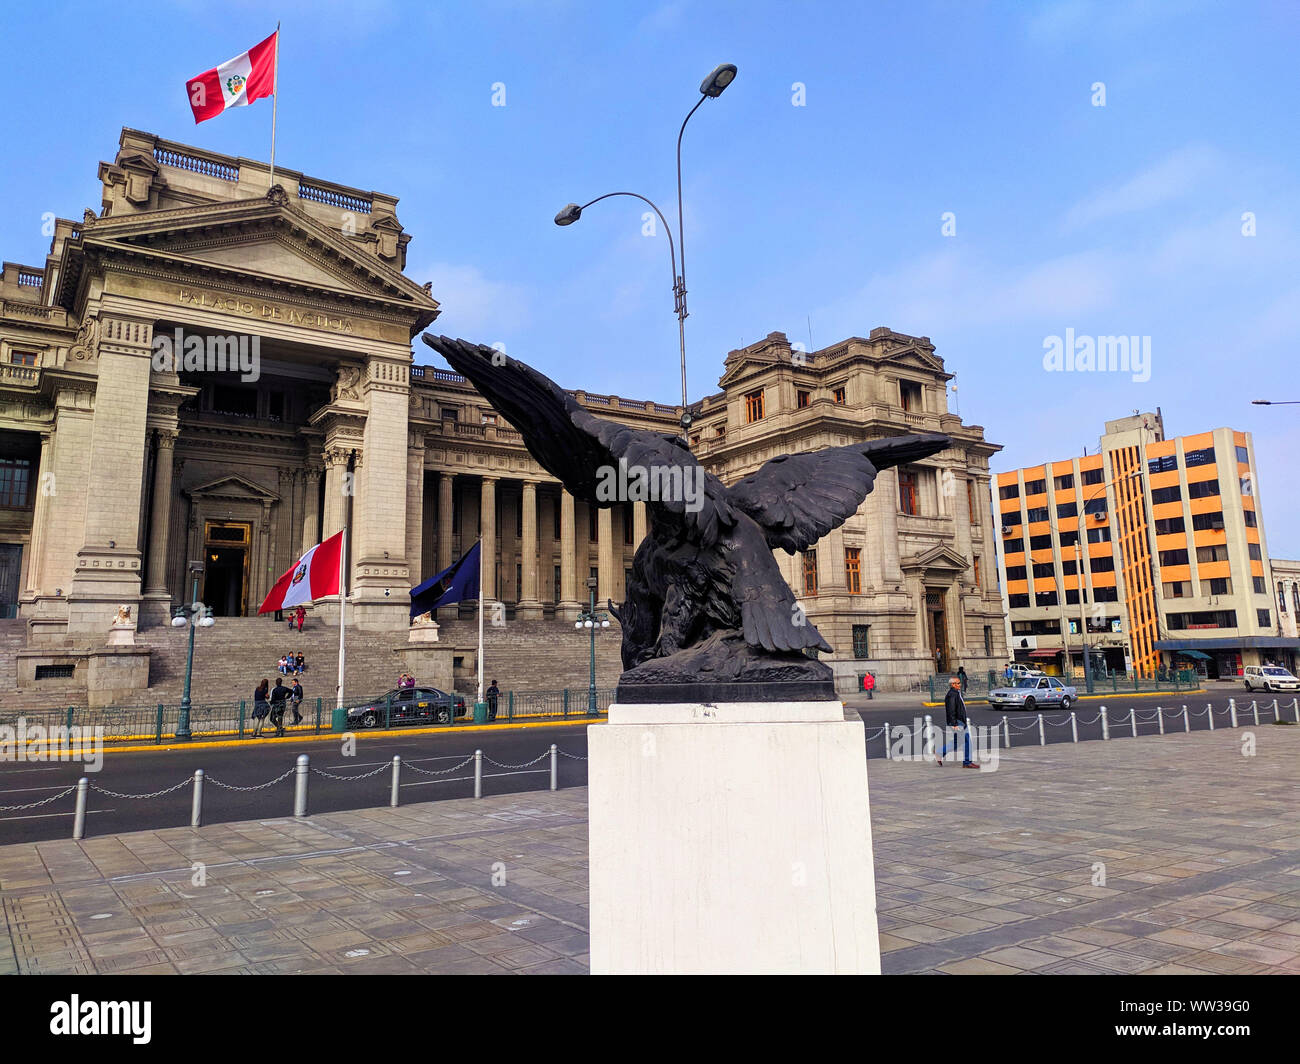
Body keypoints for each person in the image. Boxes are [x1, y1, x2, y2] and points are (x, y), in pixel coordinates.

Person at [937, 676, 978, 768]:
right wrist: (954, 724)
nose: (960, 684)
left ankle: (940, 753)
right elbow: (951, 710)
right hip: (958, 722)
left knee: (957, 742)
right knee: (967, 741)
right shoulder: (952, 694)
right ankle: (967, 762)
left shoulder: (955, 693)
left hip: (960, 721)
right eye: (958, 683)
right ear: (953, 684)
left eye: (960, 683)